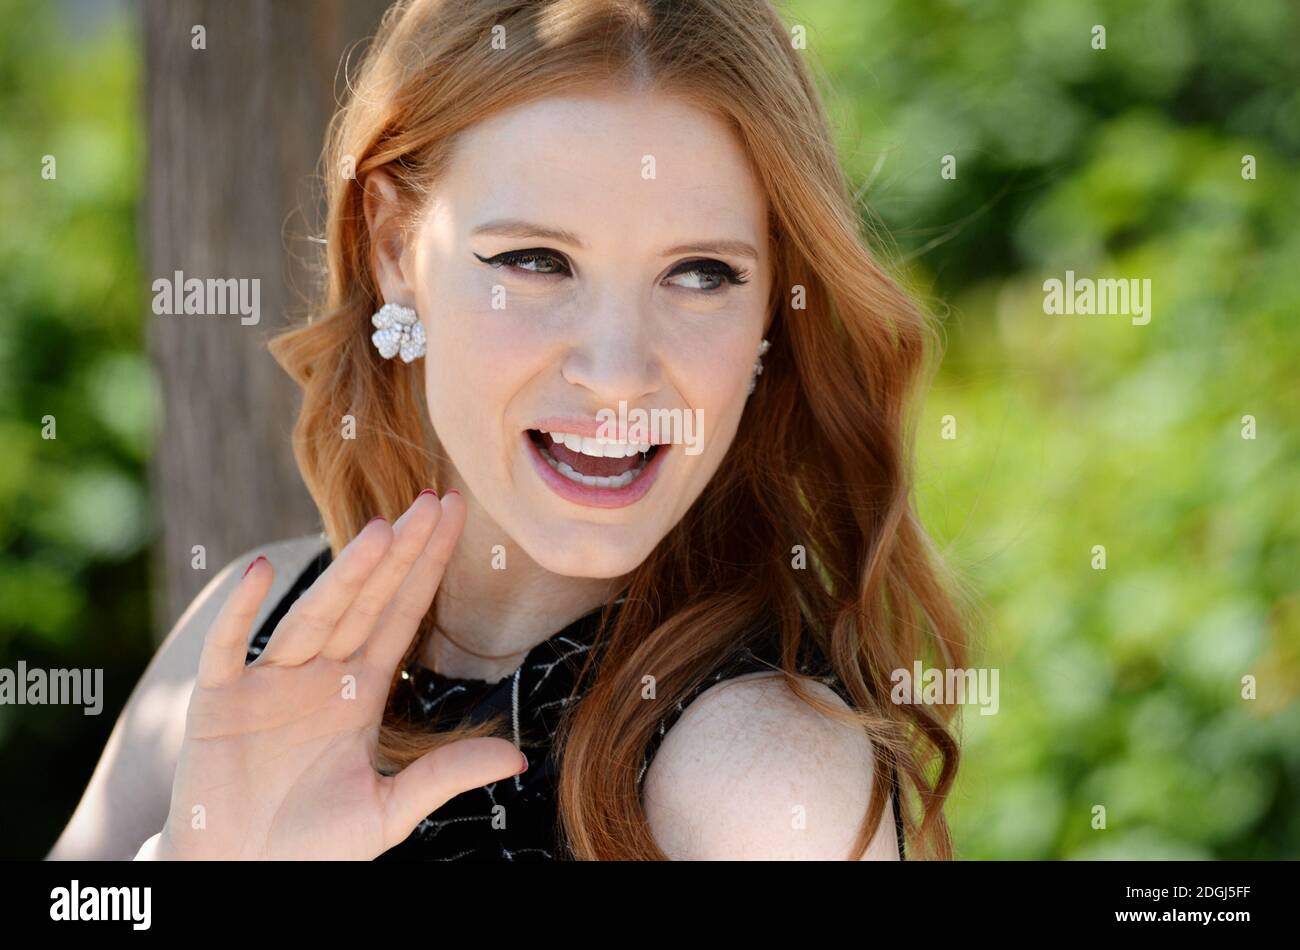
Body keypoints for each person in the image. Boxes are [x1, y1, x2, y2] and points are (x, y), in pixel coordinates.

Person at [50, 0, 966, 861]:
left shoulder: (758, 780)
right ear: (394, 248)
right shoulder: (249, 630)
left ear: (774, 300)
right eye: (535, 261)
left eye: (700, 273)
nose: (616, 374)